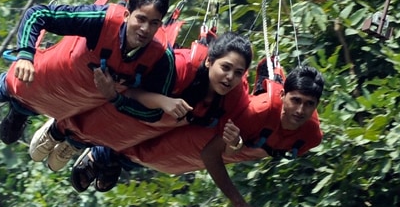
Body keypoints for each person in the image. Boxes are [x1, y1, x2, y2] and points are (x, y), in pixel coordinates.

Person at [72, 64, 325, 207]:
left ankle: (111, 158)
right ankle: (99, 151)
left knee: (164, 161)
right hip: (208, 134)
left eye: (309, 104)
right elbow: (210, 154)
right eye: (296, 100)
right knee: (158, 144)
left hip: (233, 145)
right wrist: (240, 204)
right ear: (283, 96)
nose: (300, 110)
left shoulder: (311, 136)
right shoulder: (259, 112)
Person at [0, 0, 175, 151]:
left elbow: (152, 114)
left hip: (72, 102)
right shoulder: (100, 21)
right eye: (141, 19)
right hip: (47, 75)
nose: (145, 29)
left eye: (154, 23)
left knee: (31, 119)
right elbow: (37, 15)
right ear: (127, 15)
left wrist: (115, 98)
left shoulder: (160, 57)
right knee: (24, 85)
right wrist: (25, 55)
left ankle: (20, 112)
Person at [28, 31, 254, 173]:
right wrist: (164, 101)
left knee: (119, 135)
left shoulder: (229, 98)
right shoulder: (179, 67)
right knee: (108, 118)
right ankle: (57, 129)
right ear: (209, 62)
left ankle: (74, 142)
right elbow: (132, 91)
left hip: (141, 127)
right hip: (124, 105)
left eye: (237, 73)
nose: (229, 77)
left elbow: (230, 142)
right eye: (225, 68)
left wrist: (235, 143)